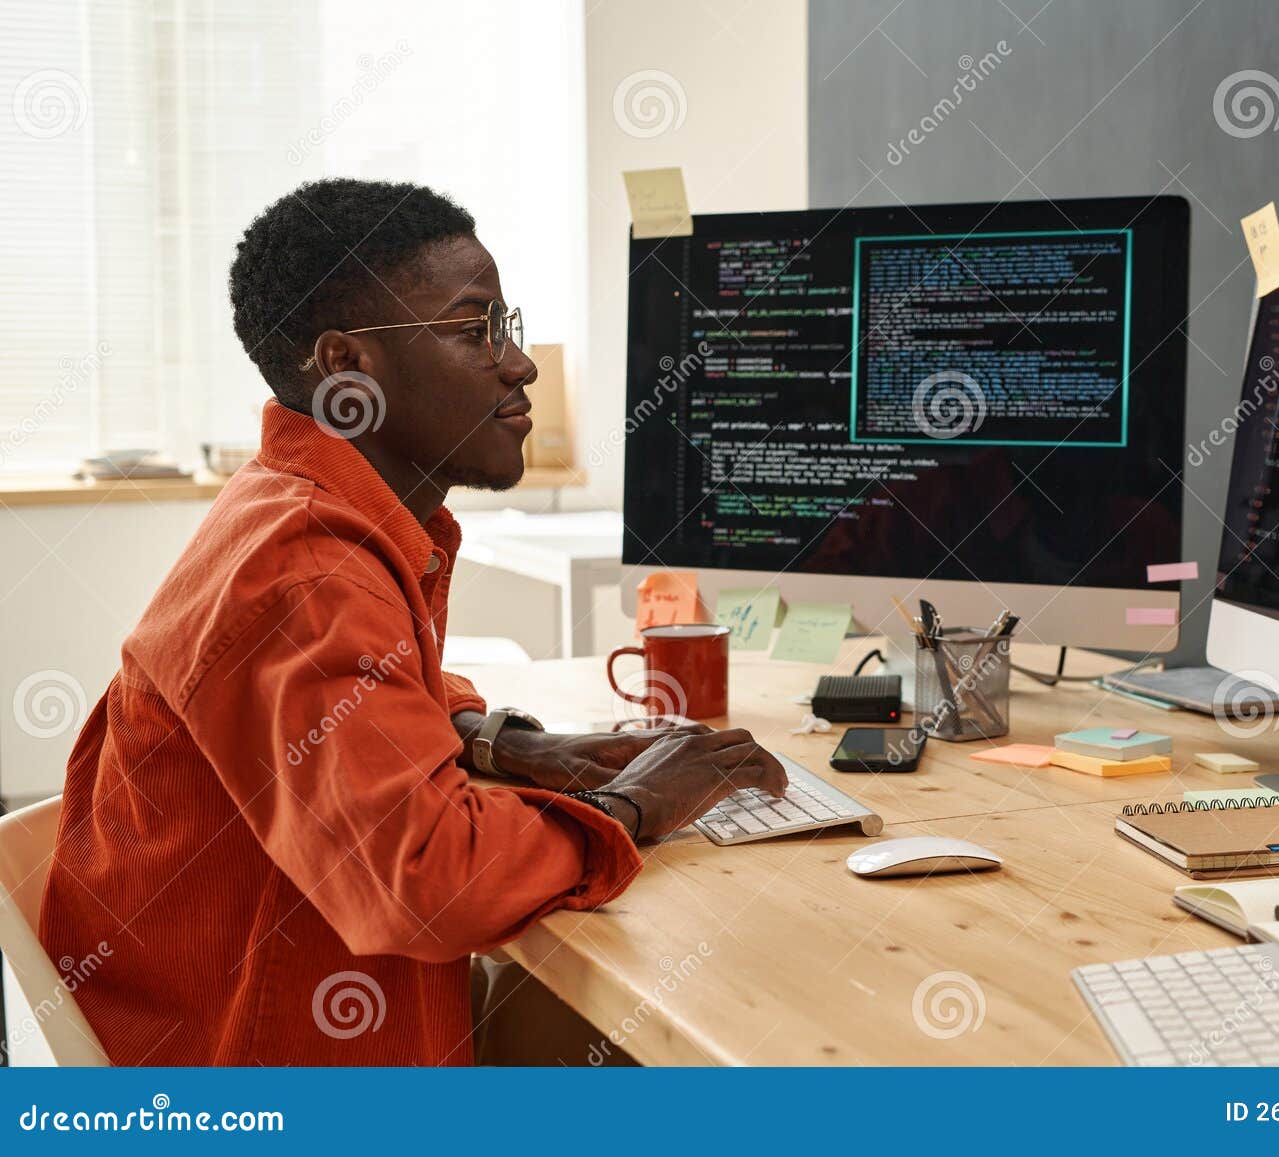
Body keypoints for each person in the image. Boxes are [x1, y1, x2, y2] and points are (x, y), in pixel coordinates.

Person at [37, 177, 786, 1066]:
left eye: (506, 326)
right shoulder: (309, 569)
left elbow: (378, 688)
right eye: (474, 332)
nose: (521, 363)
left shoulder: (299, 507)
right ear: (347, 366)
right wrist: (638, 804)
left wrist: (495, 738)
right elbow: (429, 880)